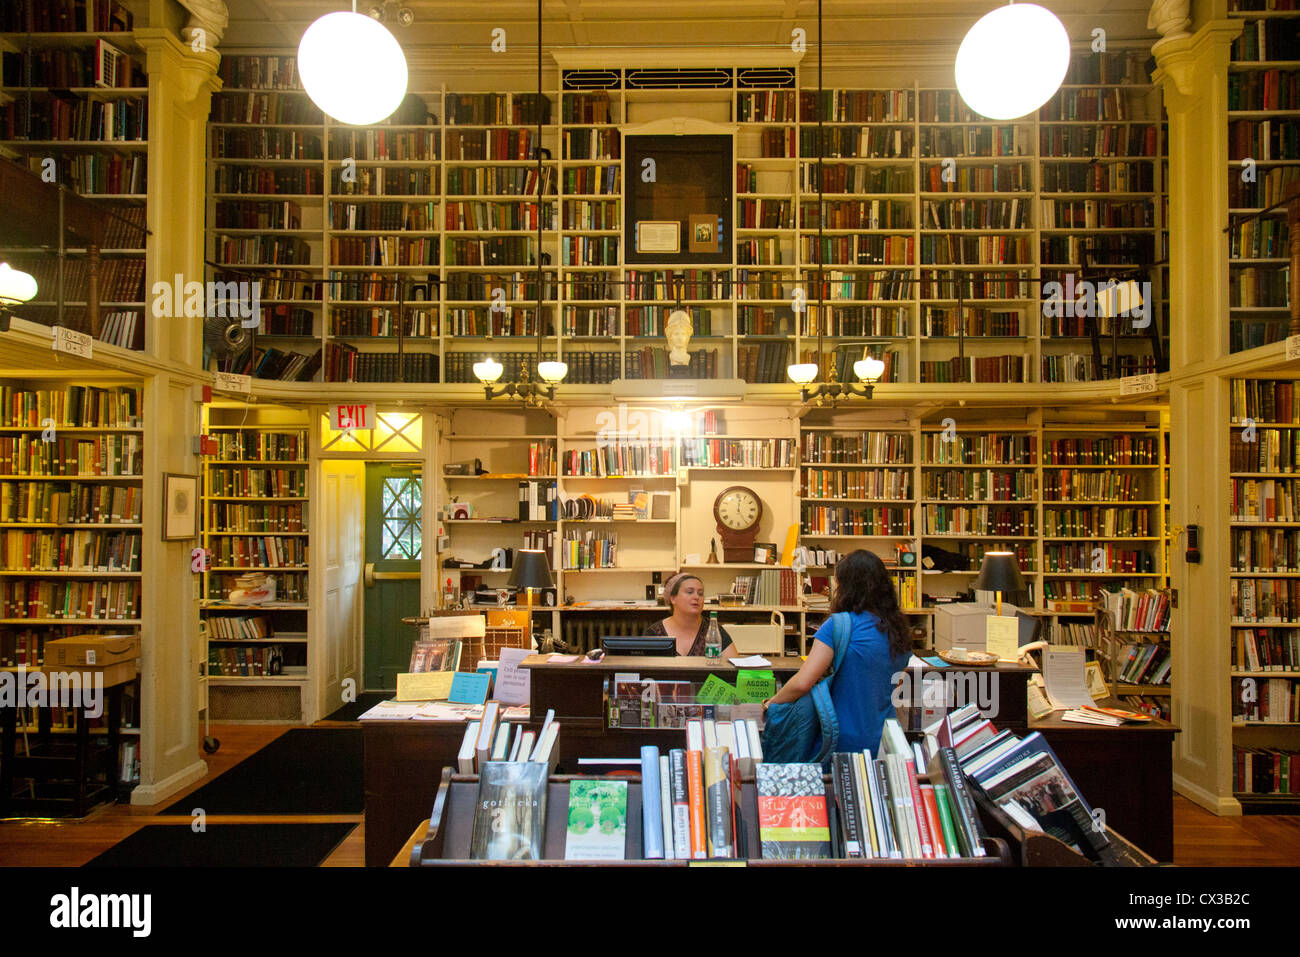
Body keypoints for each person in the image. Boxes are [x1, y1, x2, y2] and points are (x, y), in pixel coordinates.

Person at [761, 550, 912, 754]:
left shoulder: (838, 625)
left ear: (848, 587)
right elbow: (895, 681)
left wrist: (771, 703)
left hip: (840, 738)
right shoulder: (898, 630)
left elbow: (802, 683)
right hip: (886, 738)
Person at [646, 572, 738, 658]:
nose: (696, 597)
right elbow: (645, 671)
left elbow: (735, 668)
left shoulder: (714, 630)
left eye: (700, 593)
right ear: (673, 598)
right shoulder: (655, 633)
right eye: (690, 592)